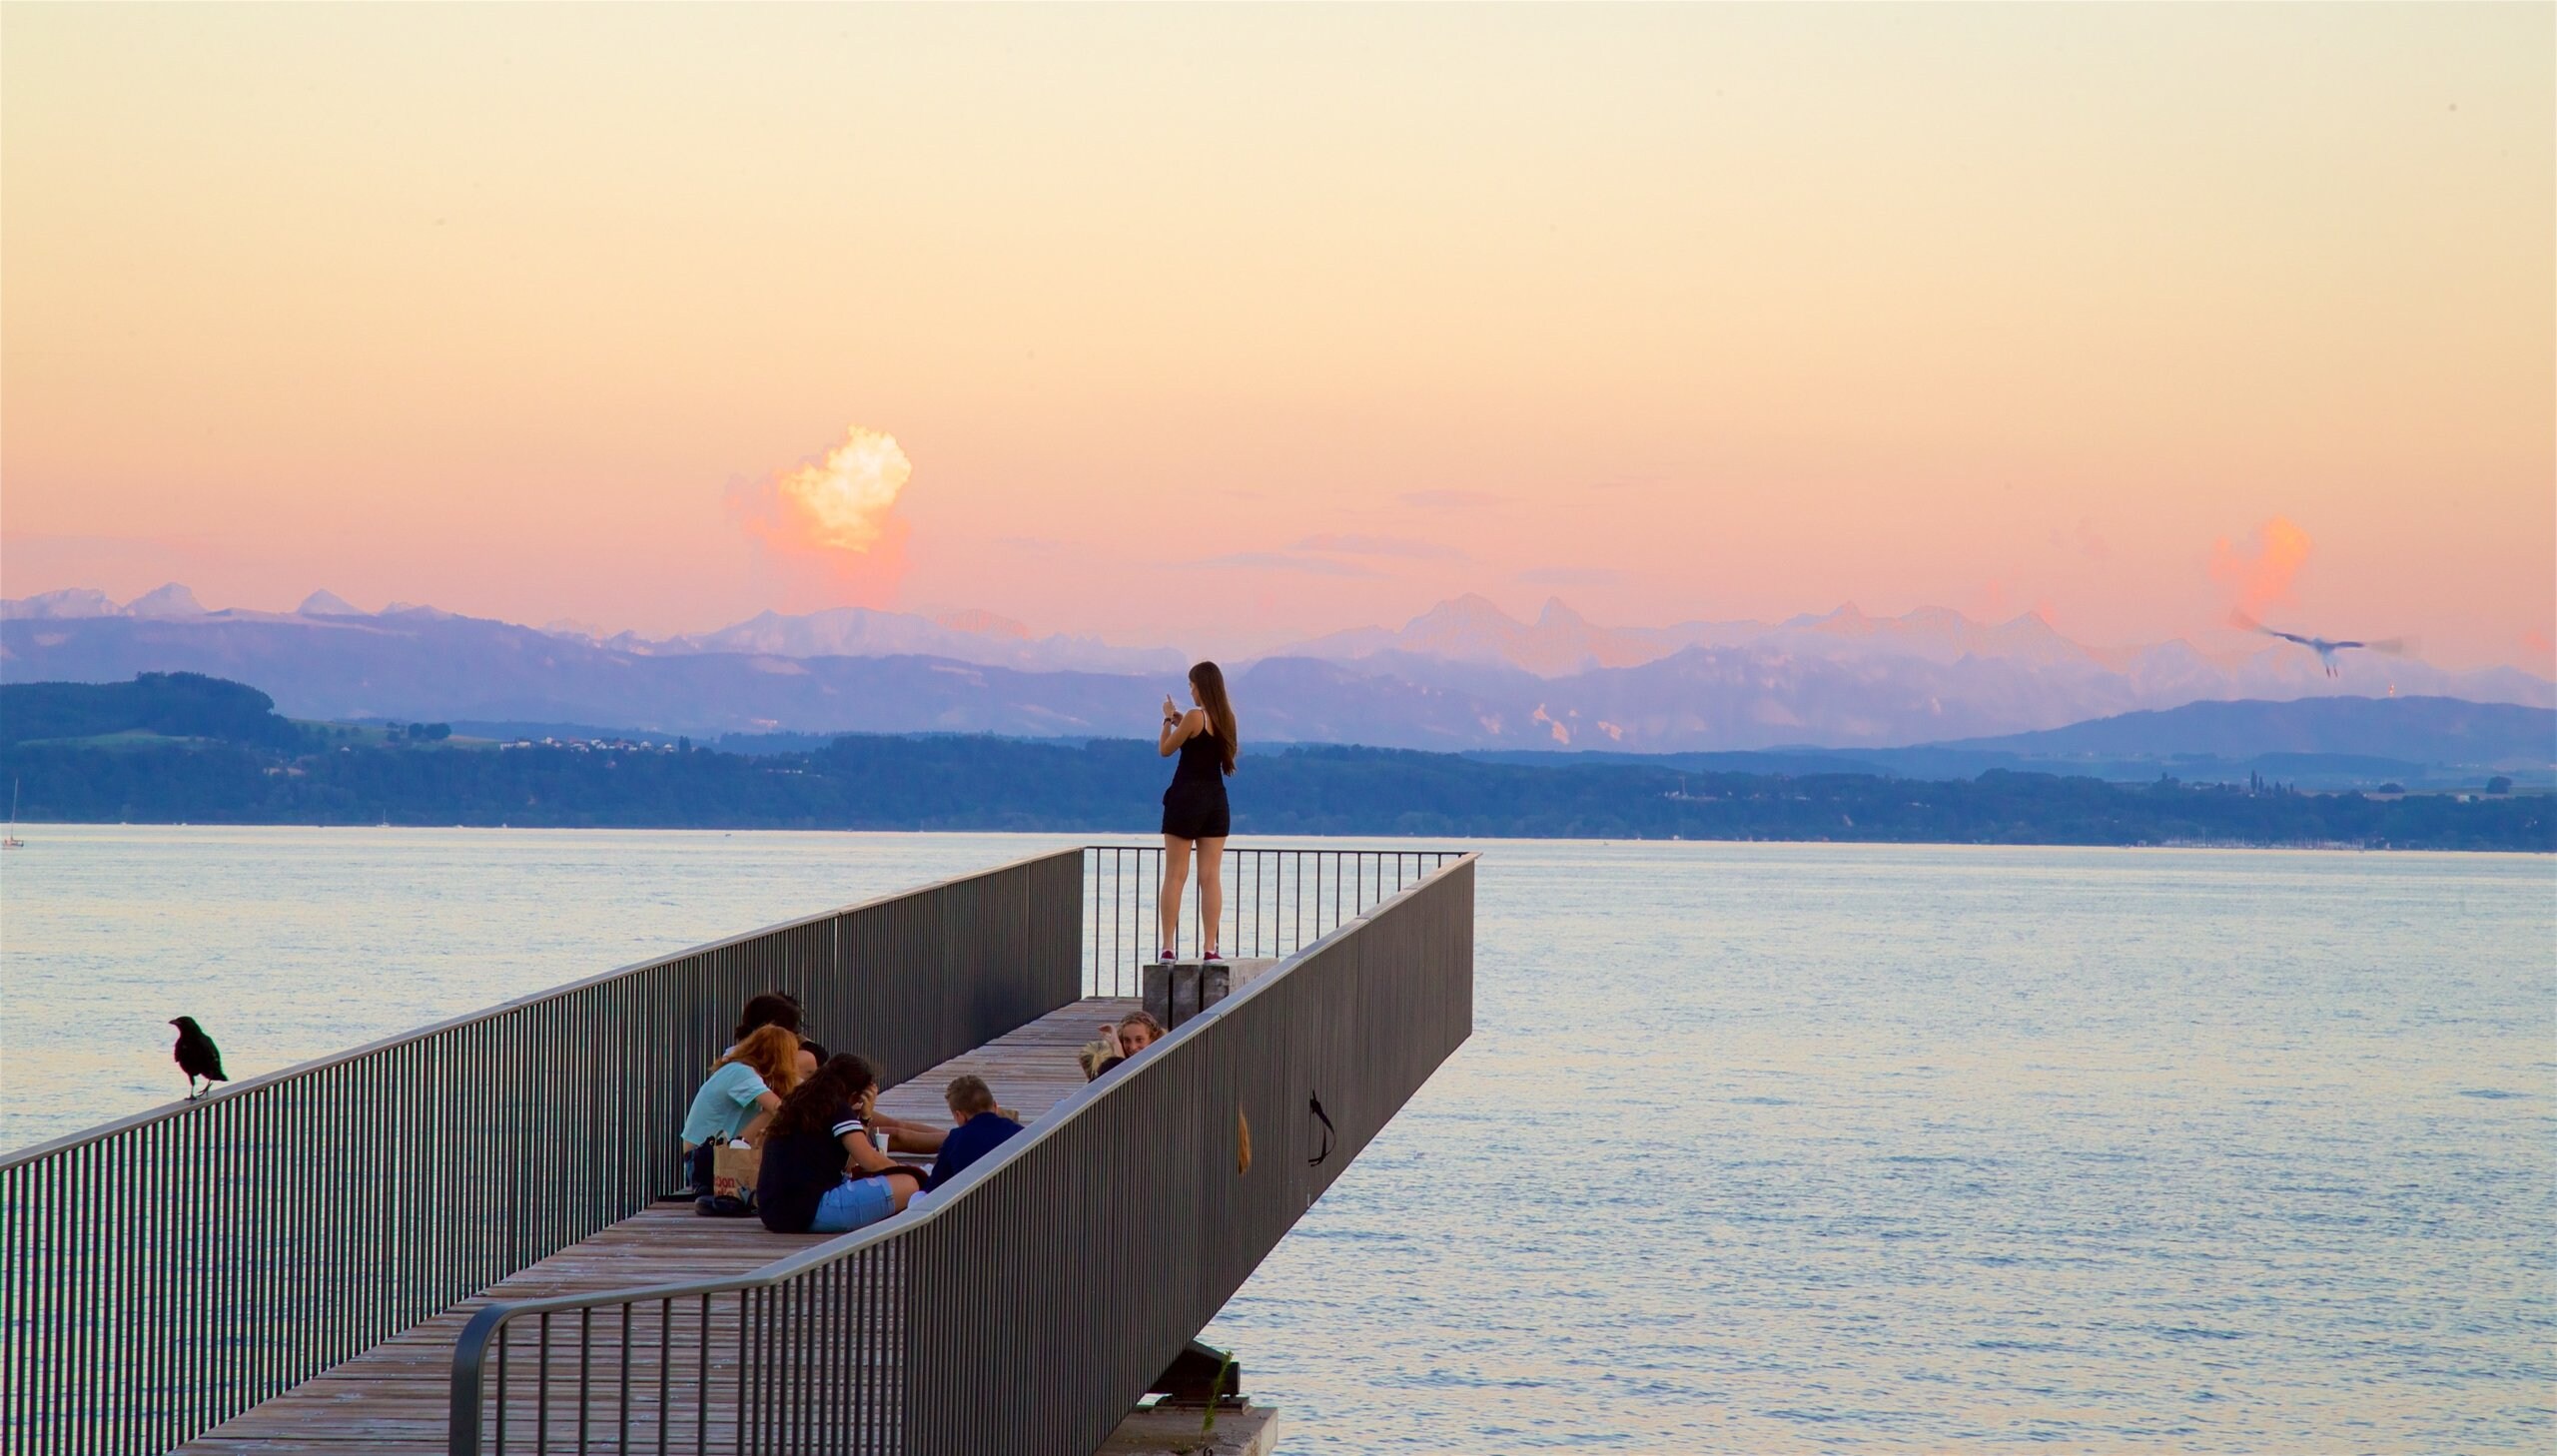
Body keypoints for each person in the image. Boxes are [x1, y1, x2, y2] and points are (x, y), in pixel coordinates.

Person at [756, 1054, 923, 1234]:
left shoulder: (797, 1103)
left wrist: (864, 1118)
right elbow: (871, 1162)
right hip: (809, 1211)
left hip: (774, 1214)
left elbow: (851, 1165)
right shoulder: (837, 1107)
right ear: (854, 1094)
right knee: (909, 1184)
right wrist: (915, 1173)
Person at [1158, 660, 1239, 963]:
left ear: (1201, 687)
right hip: (1216, 802)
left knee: (1175, 874)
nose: (1191, 691)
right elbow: (1206, 746)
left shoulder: (1194, 716)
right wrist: (1182, 722)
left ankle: (1168, 947)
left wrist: (1167, 719)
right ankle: (1210, 947)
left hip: (1186, 799)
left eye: (1192, 686)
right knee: (1211, 877)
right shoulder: (1227, 719)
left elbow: (1165, 749)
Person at [679, 1025, 803, 1191]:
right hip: (704, 1161)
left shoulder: (737, 1069)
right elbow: (778, 1108)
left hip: (710, 1157)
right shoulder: (741, 1073)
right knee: (775, 1113)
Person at [918, 1076, 1023, 1195]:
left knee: (919, 1196)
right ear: (995, 1106)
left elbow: (933, 1187)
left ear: (959, 1116)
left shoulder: (955, 1139)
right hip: (1018, 1198)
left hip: (974, 1204)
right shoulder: (1020, 1132)